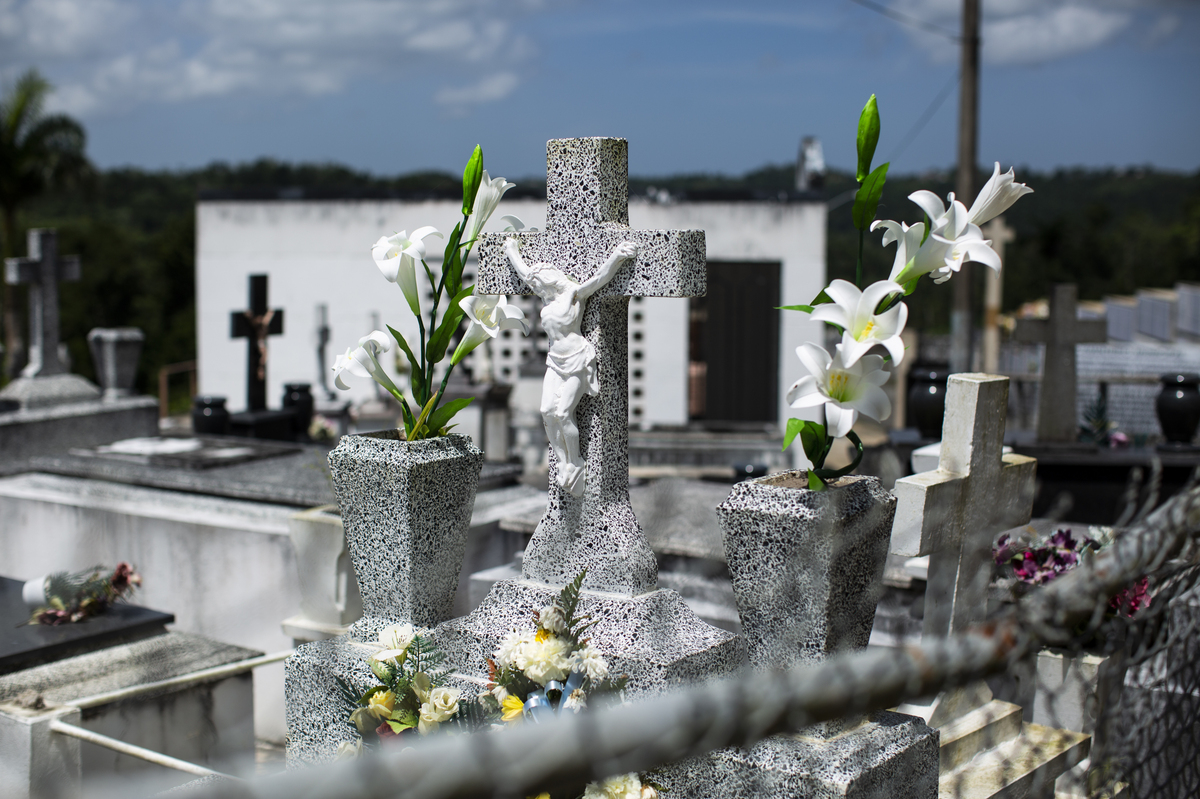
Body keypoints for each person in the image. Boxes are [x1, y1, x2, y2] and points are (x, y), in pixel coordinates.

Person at [505, 237, 638, 496]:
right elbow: (524, 273)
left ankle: (575, 460)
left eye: (540, 283)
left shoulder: (572, 293)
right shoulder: (547, 299)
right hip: (554, 360)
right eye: (536, 284)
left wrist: (618, 255)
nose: (537, 286)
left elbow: (600, 278)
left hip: (577, 358)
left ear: (550, 279)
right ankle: (563, 463)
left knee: (564, 413)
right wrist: (511, 250)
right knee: (546, 411)